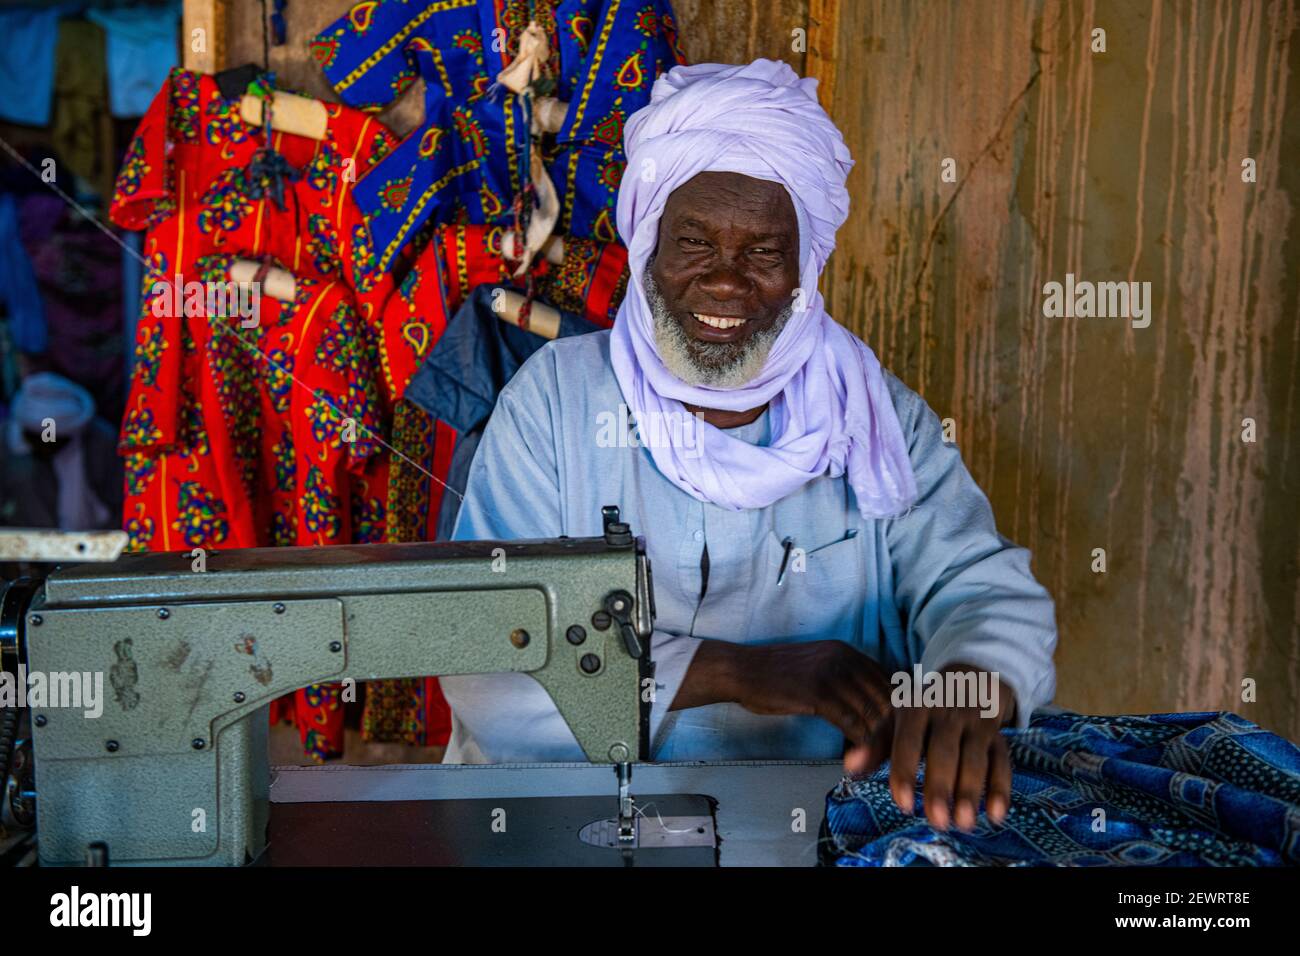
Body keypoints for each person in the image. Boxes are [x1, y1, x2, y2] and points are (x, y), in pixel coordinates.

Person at [440, 60, 1057, 833]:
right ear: (646, 245)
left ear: (806, 267)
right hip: (572, 821)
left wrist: (970, 682)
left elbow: (981, 587)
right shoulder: (554, 406)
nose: (726, 283)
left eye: (764, 252)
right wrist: (735, 671)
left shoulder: (870, 415)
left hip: (812, 827)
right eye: (693, 242)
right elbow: (487, 647)